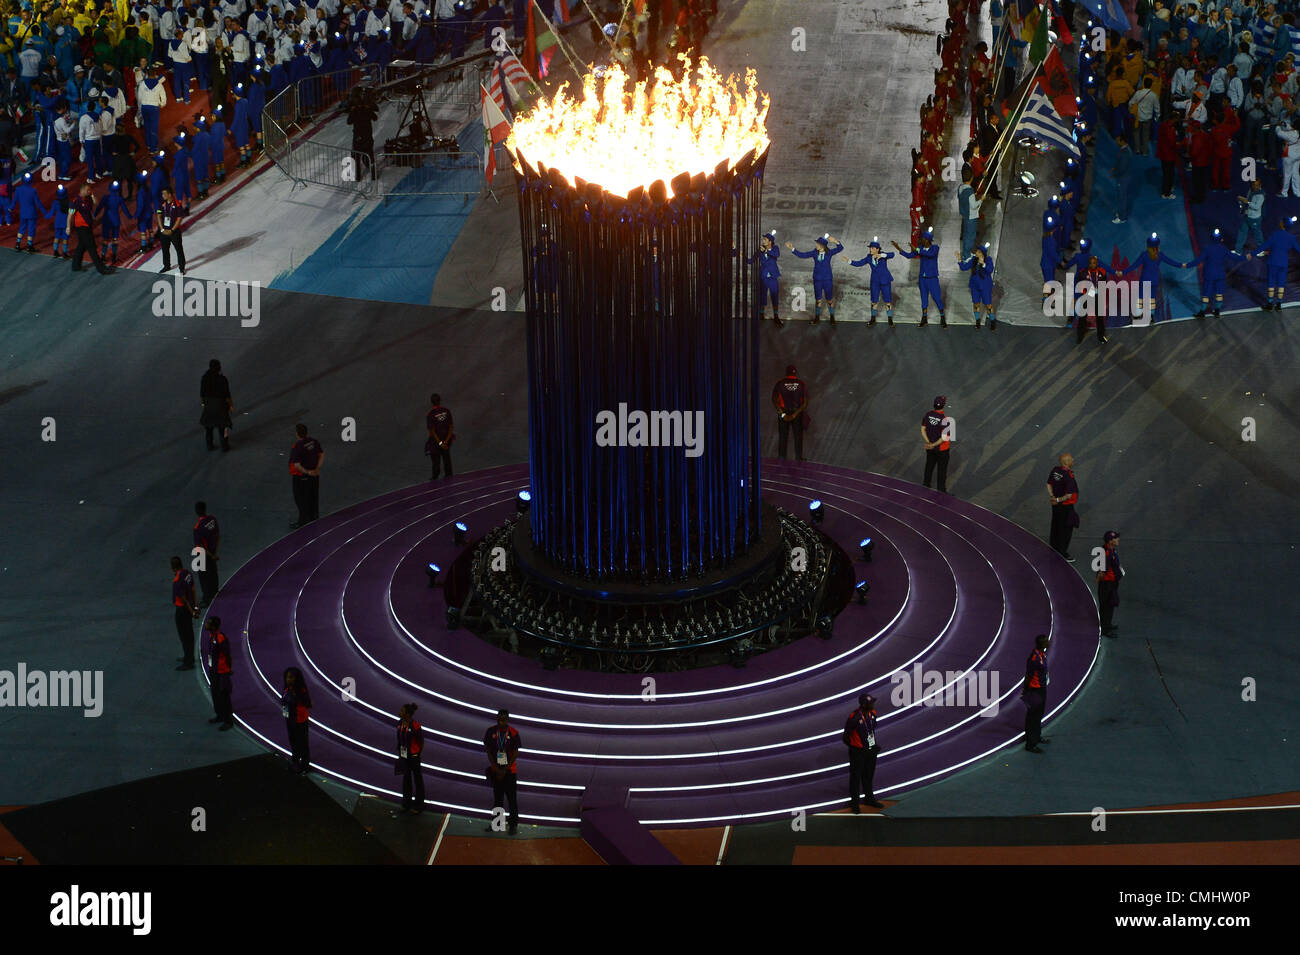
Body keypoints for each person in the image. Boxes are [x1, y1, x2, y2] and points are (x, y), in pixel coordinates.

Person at [1184, 227, 1248, 318]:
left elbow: (1198, 260)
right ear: (1220, 239)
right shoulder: (1223, 249)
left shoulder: (1207, 249)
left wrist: (1186, 265)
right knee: (1219, 293)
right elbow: (1235, 257)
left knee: (1206, 293)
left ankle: (1202, 312)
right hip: (1220, 275)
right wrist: (1246, 257)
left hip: (1209, 274)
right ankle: (1217, 311)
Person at [893, 227, 946, 327]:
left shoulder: (935, 248)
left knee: (937, 298)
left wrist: (917, 249)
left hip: (932, 278)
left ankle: (942, 317)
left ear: (927, 240)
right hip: (922, 278)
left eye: (922, 238)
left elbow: (930, 254)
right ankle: (924, 318)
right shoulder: (920, 249)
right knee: (924, 298)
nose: (921, 240)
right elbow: (909, 256)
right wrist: (899, 248)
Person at [785, 233, 843, 323]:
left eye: (818, 244)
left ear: (822, 245)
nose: (816, 245)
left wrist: (835, 241)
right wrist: (792, 248)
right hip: (817, 280)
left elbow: (840, 248)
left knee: (829, 299)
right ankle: (817, 318)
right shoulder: (814, 252)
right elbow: (802, 255)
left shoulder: (829, 253)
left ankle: (832, 317)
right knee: (818, 300)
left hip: (827, 279)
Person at [843, 692, 883, 812]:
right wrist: (855, 748)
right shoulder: (854, 717)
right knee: (855, 778)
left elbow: (871, 729)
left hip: (871, 750)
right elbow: (845, 736)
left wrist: (873, 745)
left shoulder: (873, 714)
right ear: (864, 704)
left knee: (868, 775)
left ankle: (869, 798)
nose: (873, 704)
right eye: (871, 703)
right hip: (858, 752)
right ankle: (854, 803)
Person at [484, 709, 520, 834]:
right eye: (499, 719)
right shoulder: (490, 732)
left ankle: (513, 825)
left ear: (508, 720)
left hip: (509, 771)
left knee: (512, 799)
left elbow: (515, 754)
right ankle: (497, 824)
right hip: (496, 770)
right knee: (497, 798)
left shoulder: (514, 733)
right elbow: (488, 751)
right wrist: (496, 768)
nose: (501, 722)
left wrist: (504, 770)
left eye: (503, 720)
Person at [68, 183, 115, 274]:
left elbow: (96, 203)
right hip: (81, 227)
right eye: (88, 190)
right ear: (82, 190)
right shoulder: (75, 202)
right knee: (91, 247)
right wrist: (68, 227)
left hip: (88, 226)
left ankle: (75, 265)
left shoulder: (88, 199)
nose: (89, 191)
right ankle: (101, 269)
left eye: (90, 190)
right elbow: (70, 215)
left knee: (81, 246)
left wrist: (92, 195)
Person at [1254, 216, 1300, 309]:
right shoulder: (1291, 237)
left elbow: (1264, 246)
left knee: (1271, 282)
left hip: (1273, 262)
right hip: (1283, 264)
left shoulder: (1275, 234)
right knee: (1281, 283)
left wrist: (1252, 253)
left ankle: (1270, 303)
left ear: (1282, 224)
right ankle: (1279, 304)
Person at [849, 237, 894, 326]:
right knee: (874, 301)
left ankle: (890, 319)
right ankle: (872, 319)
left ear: (877, 249)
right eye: (870, 248)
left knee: (887, 301)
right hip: (875, 282)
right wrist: (849, 261)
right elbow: (859, 263)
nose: (870, 249)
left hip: (885, 281)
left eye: (872, 248)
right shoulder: (869, 258)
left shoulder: (883, 255)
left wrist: (881, 255)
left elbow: (892, 254)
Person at [288, 423, 324, 528]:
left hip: (302, 477)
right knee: (313, 496)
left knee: (300, 498)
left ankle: (303, 521)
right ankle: (314, 516)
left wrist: (307, 472)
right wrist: (317, 468)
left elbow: (297, 464)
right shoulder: (314, 441)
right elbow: (321, 454)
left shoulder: (297, 446)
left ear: (297, 434)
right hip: (315, 475)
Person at [771, 364, 807, 462]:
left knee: (783, 436)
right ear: (796, 372)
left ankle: (782, 458)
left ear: (786, 373)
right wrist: (795, 414)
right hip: (797, 413)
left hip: (783, 412)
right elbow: (805, 402)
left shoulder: (780, 383)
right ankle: (798, 458)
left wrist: (782, 414)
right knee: (798, 437)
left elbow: (774, 400)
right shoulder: (801, 384)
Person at [203, 616, 235, 729]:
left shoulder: (220, 638)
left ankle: (228, 720)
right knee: (215, 694)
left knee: (224, 696)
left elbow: (227, 655)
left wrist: (228, 669)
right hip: (214, 670)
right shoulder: (211, 636)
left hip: (222, 672)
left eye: (208, 623)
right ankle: (220, 715)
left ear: (213, 626)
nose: (205, 624)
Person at [1021, 634, 1050, 753]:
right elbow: (1029, 674)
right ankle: (1030, 744)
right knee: (1033, 716)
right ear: (1041, 644)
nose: (1048, 643)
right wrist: (1026, 690)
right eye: (1046, 642)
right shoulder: (1034, 658)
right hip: (1035, 689)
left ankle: (1037, 736)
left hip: (1042, 688)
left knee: (1039, 714)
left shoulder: (1042, 654)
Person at [957, 242, 996, 329]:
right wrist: (959, 260)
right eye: (977, 251)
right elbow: (964, 267)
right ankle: (977, 322)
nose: (976, 253)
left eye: (978, 251)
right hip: (975, 286)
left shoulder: (988, 260)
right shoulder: (973, 259)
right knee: (976, 304)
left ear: (982, 253)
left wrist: (983, 264)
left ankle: (993, 321)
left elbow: (990, 270)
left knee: (988, 305)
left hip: (985, 287)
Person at [1046, 454, 1078, 560]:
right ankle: (1062, 552)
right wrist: (1058, 500)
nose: (1073, 460)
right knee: (1066, 530)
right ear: (1066, 462)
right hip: (1066, 507)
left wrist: (1052, 497)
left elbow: (1048, 484)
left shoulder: (1055, 470)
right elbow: (1069, 495)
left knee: (1055, 526)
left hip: (1055, 506)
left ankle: (1053, 547)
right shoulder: (1069, 476)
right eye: (1071, 459)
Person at [170, 555, 199, 670]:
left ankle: (188, 661)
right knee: (189, 634)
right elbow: (193, 590)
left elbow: (183, 599)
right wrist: (195, 608)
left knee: (184, 636)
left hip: (182, 610)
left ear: (172, 567)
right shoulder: (187, 573)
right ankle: (188, 656)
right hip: (190, 607)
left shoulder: (177, 581)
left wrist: (192, 612)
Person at [280, 667, 312, 774]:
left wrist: (295, 696)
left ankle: (305, 765)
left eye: (291, 677)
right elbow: (284, 704)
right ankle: (295, 762)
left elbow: (306, 704)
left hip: (300, 721)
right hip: (290, 721)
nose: (288, 679)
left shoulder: (301, 691)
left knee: (303, 743)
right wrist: (286, 716)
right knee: (293, 742)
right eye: (287, 677)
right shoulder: (286, 690)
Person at [397, 703, 425, 814]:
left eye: (402, 710)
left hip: (413, 757)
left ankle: (418, 806)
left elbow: (421, 742)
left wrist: (416, 753)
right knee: (406, 780)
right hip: (404, 756)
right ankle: (406, 804)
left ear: (407, 714)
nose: (400, 712)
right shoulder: (400, 724)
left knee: (418, 781)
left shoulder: (416, 726)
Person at [920, 395, 952, 493]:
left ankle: (925, 485)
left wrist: (929, 443)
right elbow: (945, 437)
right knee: (942, 470)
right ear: (944, 405)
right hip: (942, 449)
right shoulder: (945, 419)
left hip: (930, 448)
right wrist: (934, 444)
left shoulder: (928, 414)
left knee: (929, 466)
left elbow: (922, 429)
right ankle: (941, 491)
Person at [193, 500, 221, 606]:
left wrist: (210, 555)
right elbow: (218, 535)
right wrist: (214, 553)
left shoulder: (198, 527)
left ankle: (207, 598)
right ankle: (215, 592)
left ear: (197, 511)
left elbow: (200, 546)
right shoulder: (212, 519)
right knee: (213, 572)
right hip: (212, 550)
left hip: (203, 555)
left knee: (204, 577)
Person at [1097, 530, 1123, 637]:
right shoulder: (1106, 553)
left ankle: (1107, 624)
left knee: (1110, 605)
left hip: (1111, 583)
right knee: (1107, 606)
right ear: (1111, 541)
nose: (1118, 539)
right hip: (1107, 584)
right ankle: (1105, 629)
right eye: (1116, 538)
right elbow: (1102, 571)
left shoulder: (1111, 550)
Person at [753, 229, 781, 326]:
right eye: (763, 239)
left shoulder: (775, 248)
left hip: (773, 277)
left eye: (765, 239)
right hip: (763, 277)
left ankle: (776, 316)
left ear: (770, 242)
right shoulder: (760, 250)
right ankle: (761, 314)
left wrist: (766, 251)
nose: (763, 241)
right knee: (762, 295)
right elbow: (750, 260)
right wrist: (740, 254)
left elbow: (777, 255)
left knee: (775, 296)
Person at [156, 185, 186, 273]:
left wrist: (172, 230)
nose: (162, 196)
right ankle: (166, 266)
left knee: (179, 250)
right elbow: (158, 215)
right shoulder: (162, 204)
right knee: (165, 250)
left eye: (164, 194)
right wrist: (162, 229)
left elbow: (180, 218)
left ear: (169, 194)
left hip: (174, 232)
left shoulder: (177, 204)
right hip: (164, 231)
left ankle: (182, 267)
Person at [425, 393, 454, 480]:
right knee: (447, 460)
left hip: (436, 442)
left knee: (436, 462)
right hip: (447, 440)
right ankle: (449, 479)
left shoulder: (430, 414)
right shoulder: (447, 411)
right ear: (440, 401)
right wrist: (446, 441)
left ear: (431, 402)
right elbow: (451, 427)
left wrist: (440, 442)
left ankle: (434, 479)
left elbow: (432, 431)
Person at [1235, 177, 1265, 253]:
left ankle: (1261, 250)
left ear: (1259, 185)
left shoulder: (1261, 195)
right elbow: (1247, 199)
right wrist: (1241, 201)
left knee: (1257, 235)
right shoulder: (1250, 190)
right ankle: (1238, 250)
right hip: (1247, 216)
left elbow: (1256, 207)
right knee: (1242, 232)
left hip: (1255, 218)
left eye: (1257, 185)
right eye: (1253, 185)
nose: (1255, 187)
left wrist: (1247, 202)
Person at [1110, 133, 1133, 223]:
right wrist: (1115, 168)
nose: (1116, 141)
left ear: (1122, 141)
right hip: (1126, 176)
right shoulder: (1126, 150)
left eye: (1118, 140)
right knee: (1122, 197)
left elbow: (1122, 168)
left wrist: (1115, 174)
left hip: (1123, 178)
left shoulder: (1124, 153)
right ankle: (1121, 213)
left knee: (1122, 197)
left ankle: (1122, 217)